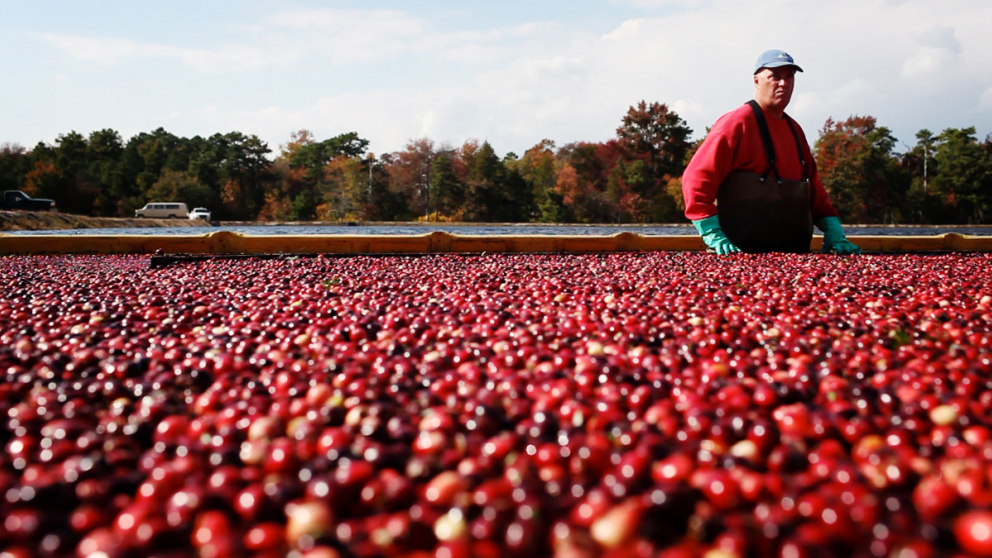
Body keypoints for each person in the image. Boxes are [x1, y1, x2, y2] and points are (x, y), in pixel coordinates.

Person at [681, 49, 861, 255]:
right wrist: (711, 232)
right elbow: (696, 179)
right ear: (757, 81)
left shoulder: (795, 130)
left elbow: (814, 189)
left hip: (795, 255)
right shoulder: (736, 123)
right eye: (775, 76)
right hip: (739, 254)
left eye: (789, 77)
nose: (783, 83)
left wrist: (834, 231)